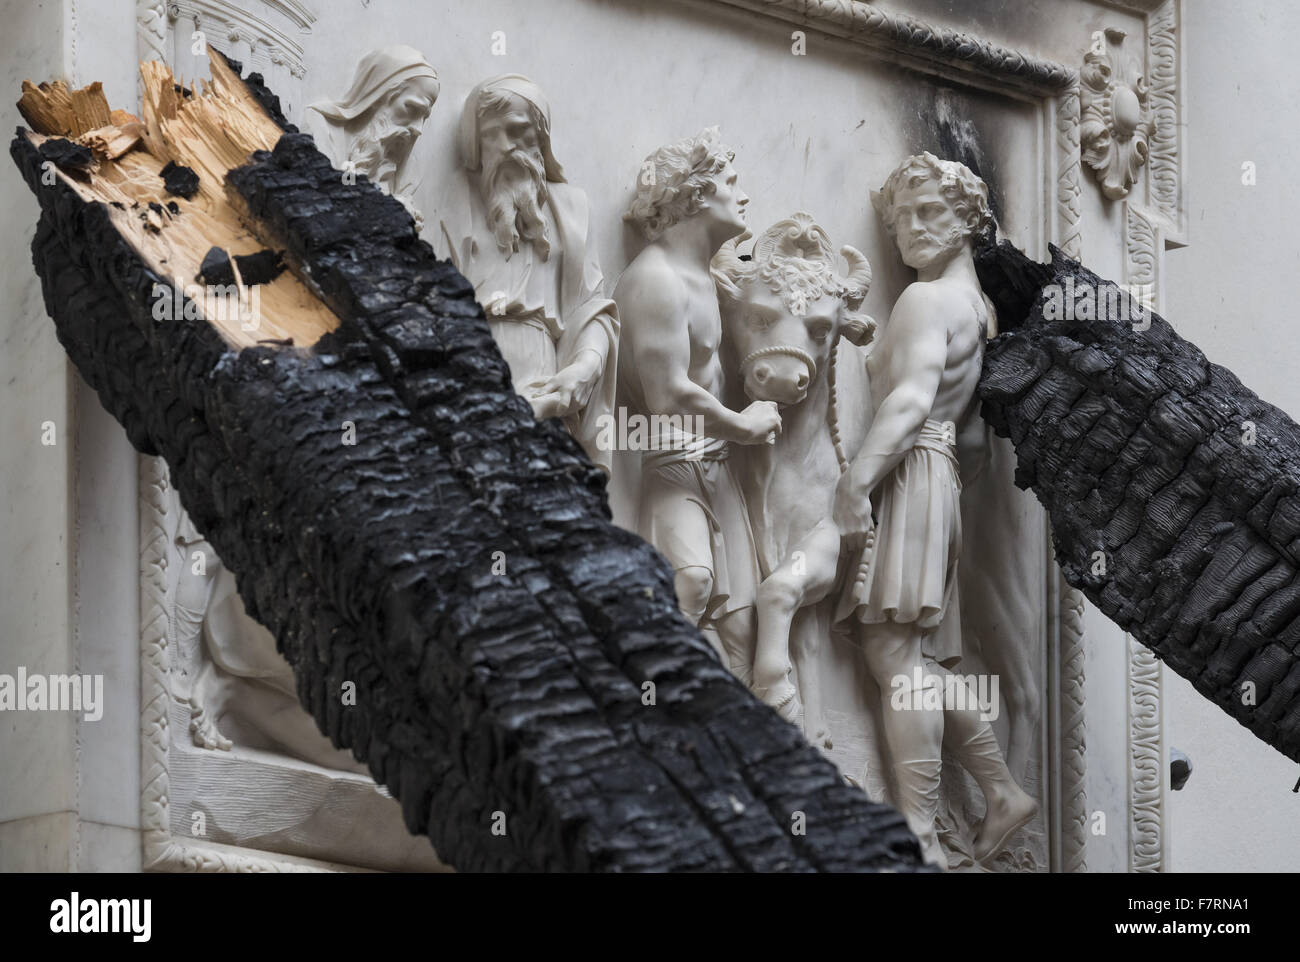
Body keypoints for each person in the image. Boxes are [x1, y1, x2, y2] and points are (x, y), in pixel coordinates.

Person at [835, 152, 1037, 867]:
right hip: (940, 473)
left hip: (912, 467)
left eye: (930, 214)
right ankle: (1001, 790)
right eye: (900, 221)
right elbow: (976, 438)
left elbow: (912, 400)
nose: (911, 231)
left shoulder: (923, 303)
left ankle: (919, 831)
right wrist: (939, 483)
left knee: (893, 654)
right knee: (908, 654)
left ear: (968, 222)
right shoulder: (977, 310)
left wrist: (858, 483)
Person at [615, 127, 779, 678]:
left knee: (742, 625)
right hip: (671, 460)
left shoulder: (704, 276)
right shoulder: (655, 279)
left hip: (717, 463)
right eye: (732, 182)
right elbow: (667, 394)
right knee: (688, 583)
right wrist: (744, 425)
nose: (744, 195)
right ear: (696, 194)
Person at [451, 75, 619, 472]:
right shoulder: (455, 197)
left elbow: (592, 308)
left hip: (548, 377)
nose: (507, 146)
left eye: (518, 132)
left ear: (542, 138)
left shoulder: (572, 208)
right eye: (492, 135)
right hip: (467, 370)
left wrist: (584, 368)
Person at [307, 45, 440, 228]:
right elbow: (322, 202)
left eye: (424, 117)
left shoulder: (407, 168)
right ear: (377, 96)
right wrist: (388, 208)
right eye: (411, 109)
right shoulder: (322, 126)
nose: (418, 129)